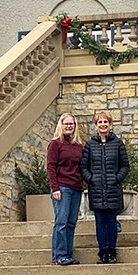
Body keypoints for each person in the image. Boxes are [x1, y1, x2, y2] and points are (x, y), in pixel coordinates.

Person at [80, 111, 129, 264]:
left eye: (105, 122)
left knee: (111, 221)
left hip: (113, 189)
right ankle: (103, 252)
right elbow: (83, 167)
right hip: (96, 190)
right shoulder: (90, 145)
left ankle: (112, 252)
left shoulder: (118, 144)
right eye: (100, 122)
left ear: (110, 124)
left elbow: (125, 166)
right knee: (100, 222)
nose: (103, 125)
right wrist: (91, 179)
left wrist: (116, 178)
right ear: (96, 125)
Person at [46, 113, 84, 266]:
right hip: (62, 187)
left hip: (76, 188)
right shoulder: (55, 144)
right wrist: (55, 187)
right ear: (61, 125)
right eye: (66, 123)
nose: (69, 126)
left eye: (71, 124)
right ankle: (59, 255)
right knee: (61, 221)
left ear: (75, 126)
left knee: (71, 223)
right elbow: (50, 167)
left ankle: (68, 254)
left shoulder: (79, 146)